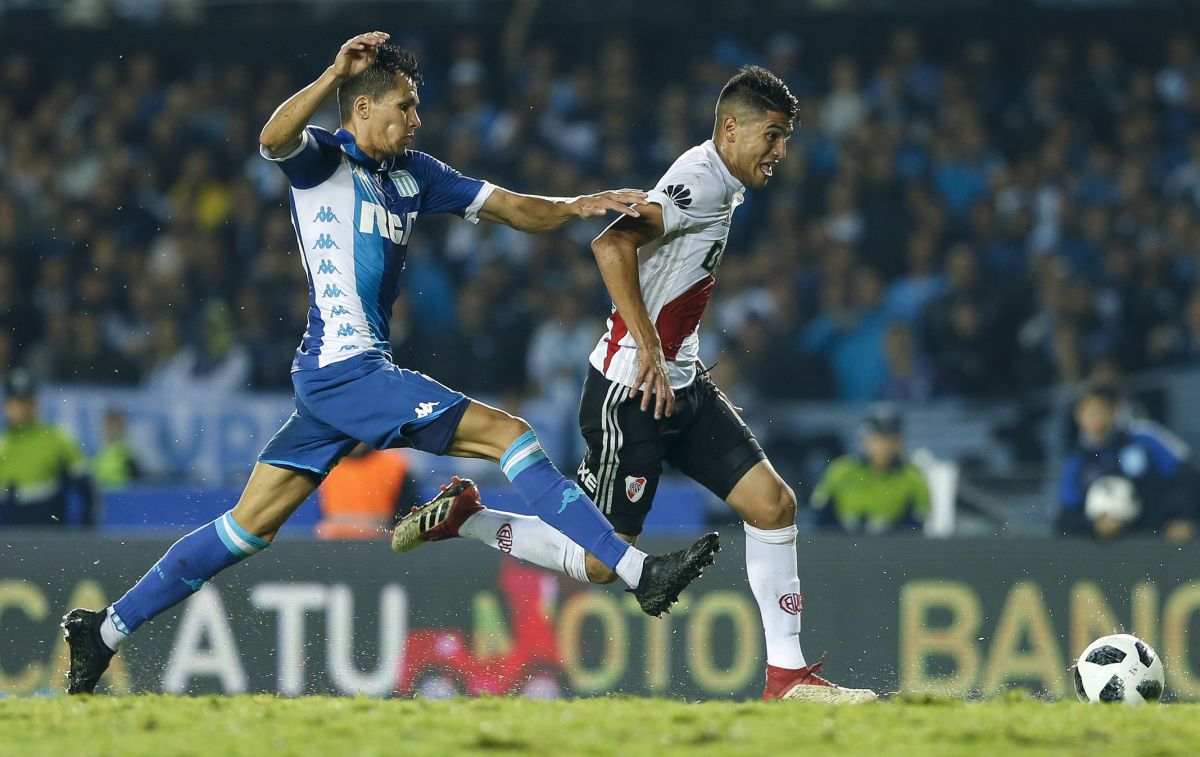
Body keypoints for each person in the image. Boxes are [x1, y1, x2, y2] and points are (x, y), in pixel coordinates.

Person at [62, 32, 719, 695]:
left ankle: (106, 630)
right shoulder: (322, 160)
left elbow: (509, 207)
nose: (416, 120)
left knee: (247, 526)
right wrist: (329, 73)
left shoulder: (417, 173)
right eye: (404, 107)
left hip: (334, 380)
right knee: (510, 434)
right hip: (348, 371)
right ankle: (638, 573)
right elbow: (270, 138)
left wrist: (575, 207)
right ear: (365, 108)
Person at [399, 66, 875, 703]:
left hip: (681, 384)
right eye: (773, 134)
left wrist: (668, 354)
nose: (781, 151)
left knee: (774, 506)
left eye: (786, 137)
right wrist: (648, 344)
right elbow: (610, 245)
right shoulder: (700, 181)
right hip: (630, 393)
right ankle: (467, 518)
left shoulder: (724, 182)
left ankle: (786, 678)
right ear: (731, 129)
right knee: (602, 563)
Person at [1055, 382, 1197, 542]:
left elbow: (1187, 477)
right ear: (1078, 415)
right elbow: (1065, 515)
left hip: (1157, 539)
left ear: (1112, 411)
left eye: (1098, 410)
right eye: (1087, 411)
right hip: (1110, 551)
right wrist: (1094, 526)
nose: (1093, 417)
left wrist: (1185, 517)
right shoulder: (1076, 461)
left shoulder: (1144, 439)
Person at [810, 403, 930, 534]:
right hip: (843, 547)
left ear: (901, 442)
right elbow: (819, 514)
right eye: (878, 439)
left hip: (894, 549)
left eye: (892, 439)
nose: (885, 446)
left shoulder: (912, 475)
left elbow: (918, 523)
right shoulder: (842, 470)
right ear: (864, 440)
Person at [0, 367, 99, 527]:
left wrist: (86, 528)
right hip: (7, 532)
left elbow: (86, 487)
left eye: (24, 402)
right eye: (13, 402)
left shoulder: (57, 438)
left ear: (34, 403)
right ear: (5, 405)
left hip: (45, 530)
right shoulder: (2, 441)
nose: (19, 409)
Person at [314, 442, 417, 539]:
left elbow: (408, 515)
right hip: (335, 543)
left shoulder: (393, 463)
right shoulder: (326, 463)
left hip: (380, 543)